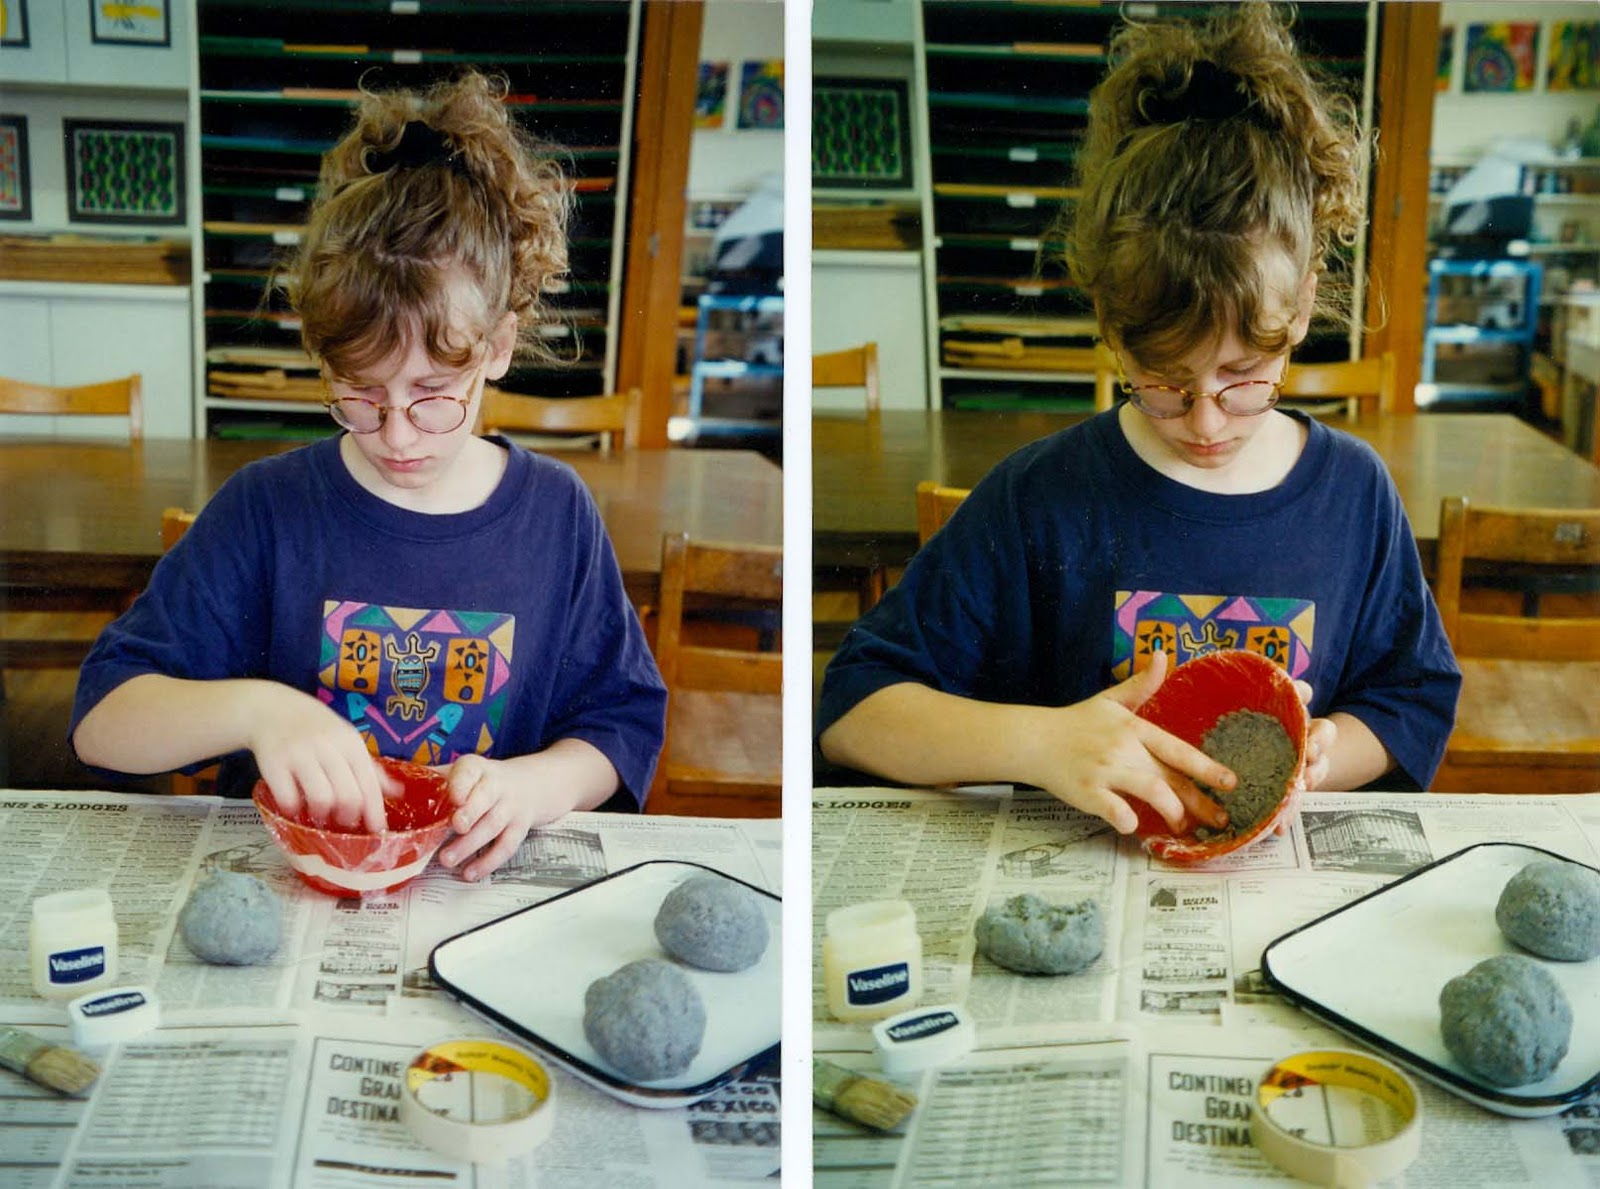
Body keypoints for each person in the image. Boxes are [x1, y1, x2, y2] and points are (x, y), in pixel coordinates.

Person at [818, 3, 1460, 835]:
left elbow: (1410, 696)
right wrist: (1040, 741)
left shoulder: (1353, 495)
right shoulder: (1039, 499)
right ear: (1110, 329)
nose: (1204, 422)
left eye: (1243, 379)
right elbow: (851, 705)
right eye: (1160, 381)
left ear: (1302, 309)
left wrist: (1332, 747)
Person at [72, 71, 667, 880]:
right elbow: (102, 720)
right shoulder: (268, 509)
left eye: (431, 397)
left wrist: (536, 783)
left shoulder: (556, 516)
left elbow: (622, 722)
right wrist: (260, 710)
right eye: (357, 394)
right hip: (289, 895)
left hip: (473, 893)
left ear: (495, 347)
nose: (395, 435)